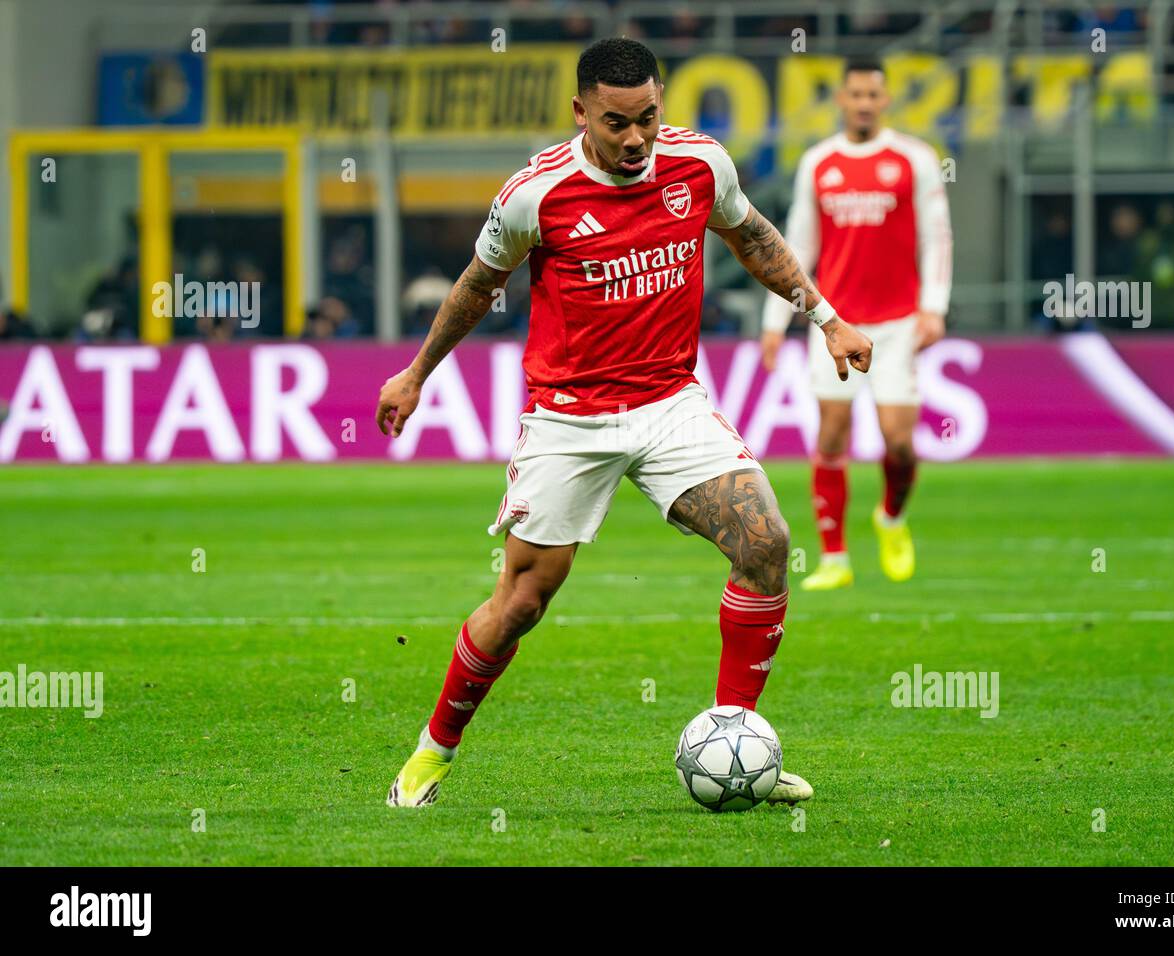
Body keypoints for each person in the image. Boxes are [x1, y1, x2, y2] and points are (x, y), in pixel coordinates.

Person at [375, 37, 873, 809]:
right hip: (570, 418)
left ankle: (737, 745)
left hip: (670, 404)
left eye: (647, 117)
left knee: (765, 542)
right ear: (581, 112)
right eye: (616, 123)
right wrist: (415, 374)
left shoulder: (701, 164)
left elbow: (751, 235)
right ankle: (432, 753)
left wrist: (826, 317)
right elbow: (479, 284)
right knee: (524, 601)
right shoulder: (535, 194)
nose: (635, 138)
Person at [760, 59, 952, 591]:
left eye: (873, 94)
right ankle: (835, 558)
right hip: (835, 323)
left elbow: (937, 236)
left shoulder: (914, 159)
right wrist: (776, 320)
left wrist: (934, 305)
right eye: (856, 94)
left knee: (899, 442)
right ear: (841, 100)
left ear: (885, 99)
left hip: (897, 323)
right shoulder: (819, 162)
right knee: (831, 436)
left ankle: (890, 517)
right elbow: (796, 246)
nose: (865, 102)